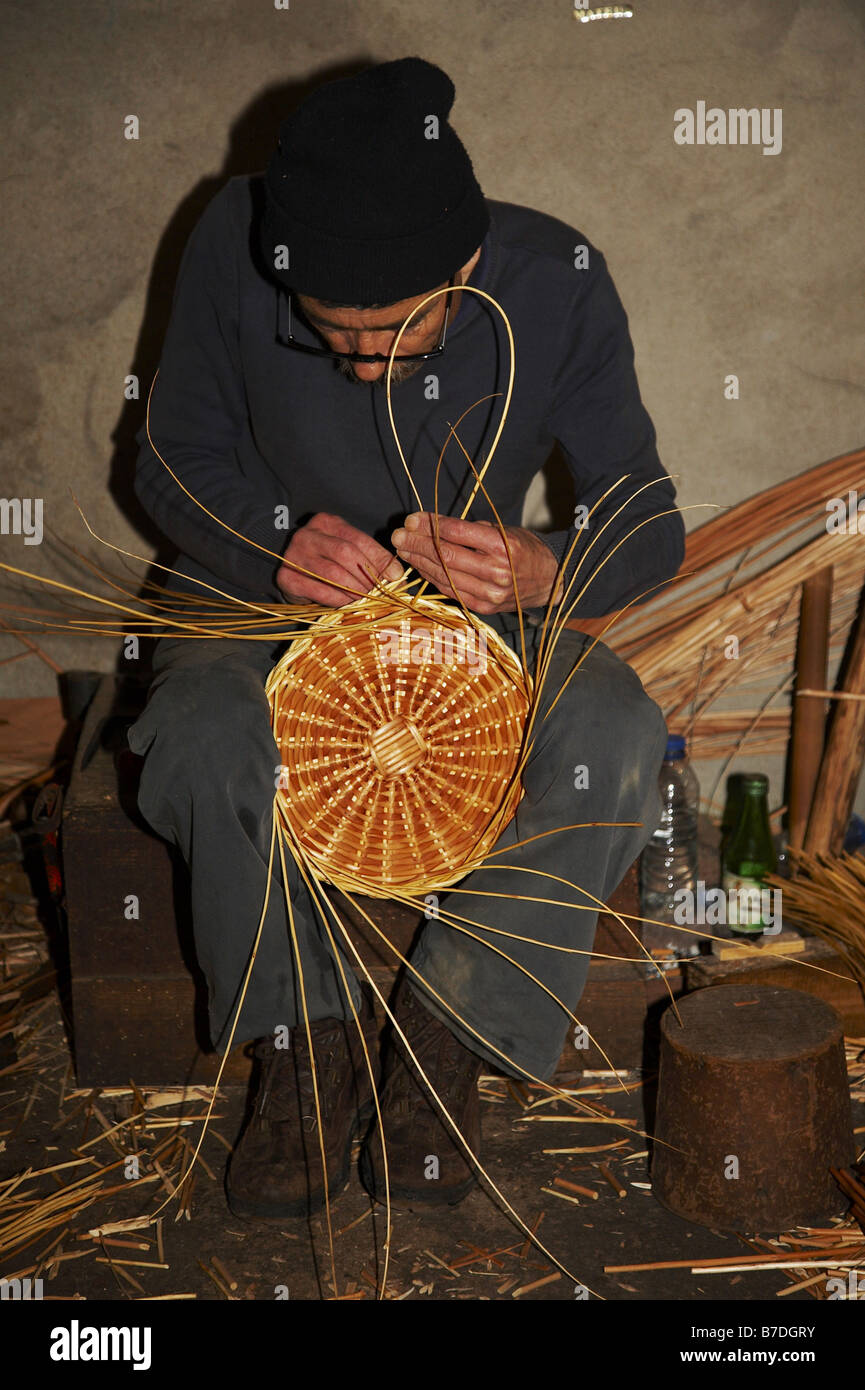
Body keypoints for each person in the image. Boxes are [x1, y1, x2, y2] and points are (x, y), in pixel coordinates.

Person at [127, 56, 683, 1220]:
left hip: (466, 626)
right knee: (197, 736)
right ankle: (305, 1057)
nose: (362, 365)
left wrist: (543, 564)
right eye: (334, 336)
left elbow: (645, 511)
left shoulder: (557, 279)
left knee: (614, 728)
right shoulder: (234, 238)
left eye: (398, 335)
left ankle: (445, 1042)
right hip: (259, 596)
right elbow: (168, 459)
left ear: (466, 271)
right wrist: (272, 539)